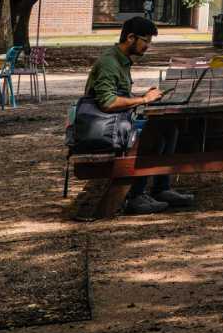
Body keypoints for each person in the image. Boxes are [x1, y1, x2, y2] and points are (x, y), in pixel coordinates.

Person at [80, 16, 193, 215]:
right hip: (102, 130)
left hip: (116, 123)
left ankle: (161, 188)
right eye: (145, 41)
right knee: (152, 135)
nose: (148, 46)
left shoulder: (121, 60)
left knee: (170, 128)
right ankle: (135, 196)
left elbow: (117, 95)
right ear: (131, 37)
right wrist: (143, 100)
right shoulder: (109, 63)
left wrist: (142, 96)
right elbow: (107, 103)